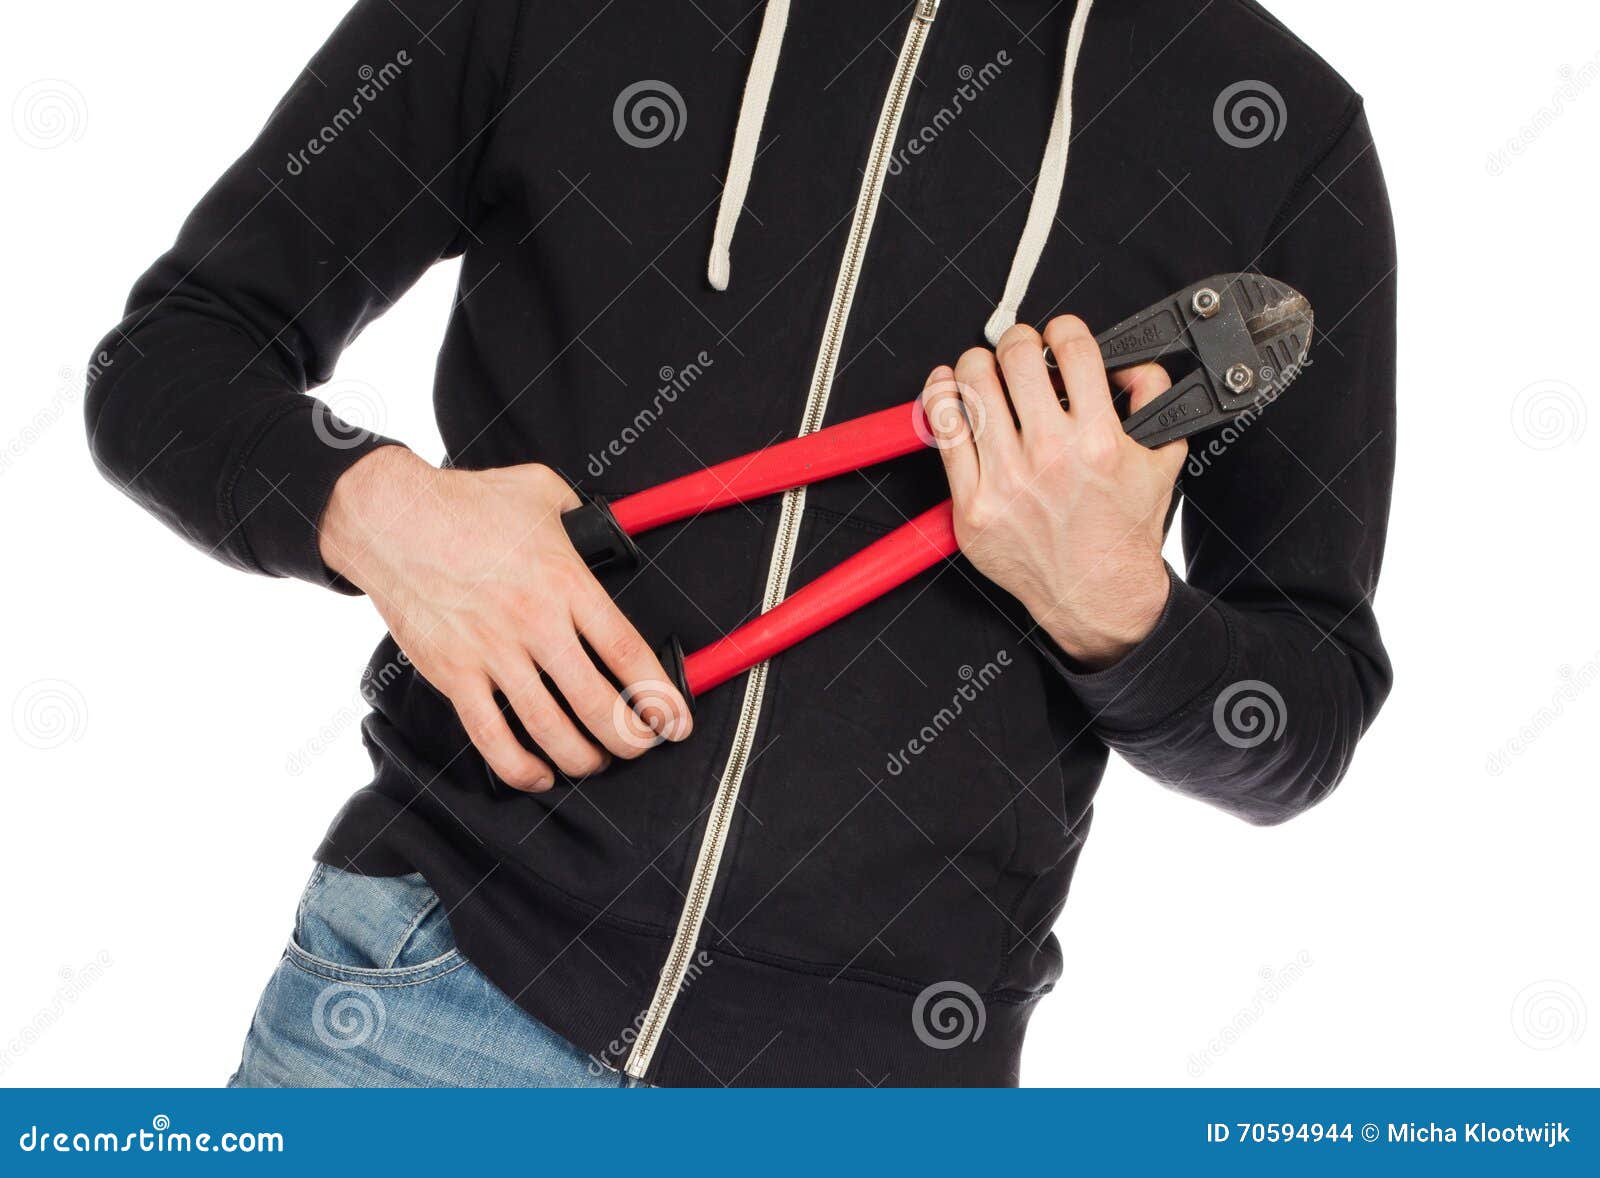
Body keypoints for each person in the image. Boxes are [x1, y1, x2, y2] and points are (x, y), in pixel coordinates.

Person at [86, 0, 1394, 1087]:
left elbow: (1305, 713)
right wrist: (381, 514)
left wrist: (1116, 607)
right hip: (425, 1007)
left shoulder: (1276, 130)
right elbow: (170, 362)